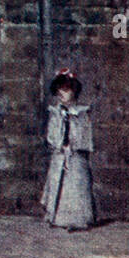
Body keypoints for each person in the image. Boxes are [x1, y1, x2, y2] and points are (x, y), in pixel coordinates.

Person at [41, 68, 96, 230]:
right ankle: (57, 218)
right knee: (58, 181)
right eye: (60, 90)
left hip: (76, 155)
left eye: (66, 90)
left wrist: (73, 145)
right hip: (59, 154)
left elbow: (85, 135)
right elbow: (51, 134)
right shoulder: (55, 112)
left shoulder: (82, 113)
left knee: (76, 183)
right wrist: (59, 144)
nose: (63, 94)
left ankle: (78, 220)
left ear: (73, 91)